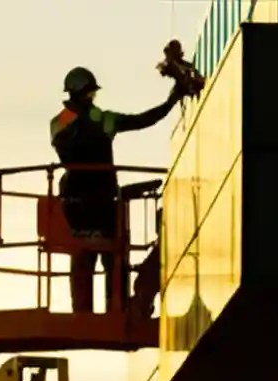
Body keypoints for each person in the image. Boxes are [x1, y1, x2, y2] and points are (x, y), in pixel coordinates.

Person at [50, 66, 181, 314]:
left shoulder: (95, 119)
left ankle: (113, 309)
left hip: (95, 203)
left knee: (111, 259)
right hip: (86, 203)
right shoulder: (68, 122)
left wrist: (171, 101)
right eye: (88, 94)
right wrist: (88, 121)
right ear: (77, 94)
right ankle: (87, 313)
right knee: (88, 260)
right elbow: (65, 148)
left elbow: (142, 120)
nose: (91, 99)